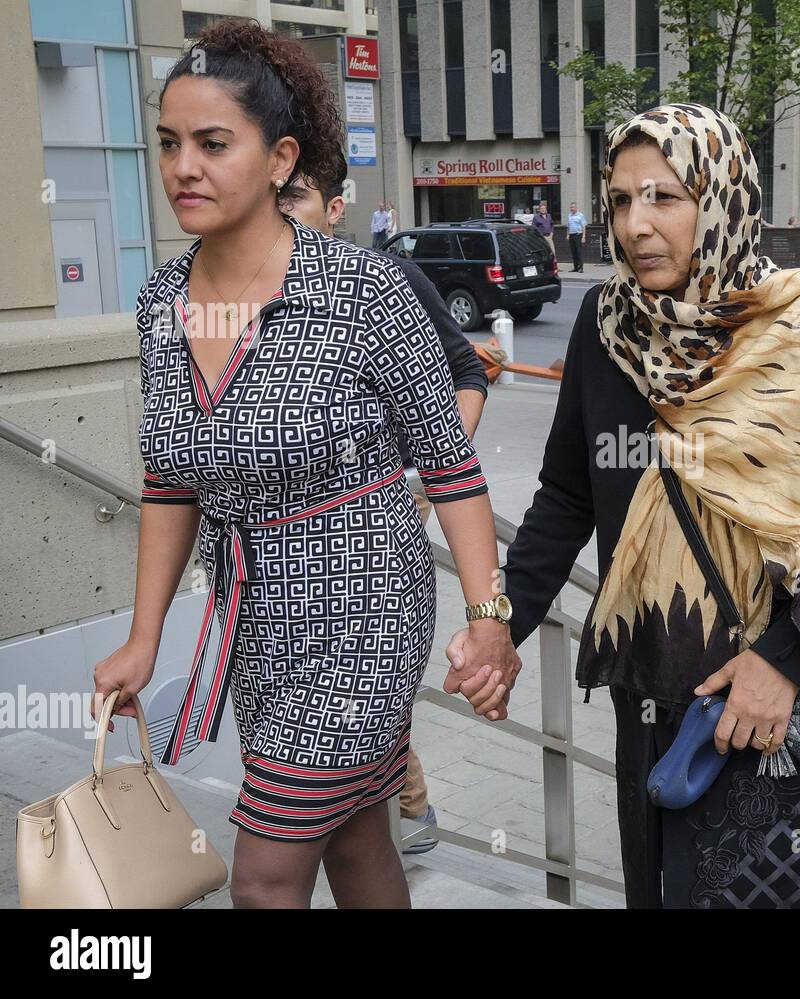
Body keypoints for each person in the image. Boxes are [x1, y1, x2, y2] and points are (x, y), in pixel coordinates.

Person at [445, 104, 800, 908]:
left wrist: (785, 664)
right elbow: (566, 495)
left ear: (723, 198)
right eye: (623, 200)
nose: (638, 224)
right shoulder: (608, 327)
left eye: (666, 197)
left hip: (775, 711)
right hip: (654, 702)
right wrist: (498, 620)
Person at [93, 21, 514, 908]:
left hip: (364, 609)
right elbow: (172, 478)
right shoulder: (162, 302)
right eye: (169, 143)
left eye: (213, 143)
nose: (183, 168)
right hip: (256, 621)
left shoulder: (363, 291)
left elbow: (449, 466)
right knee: (358, 837)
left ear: (282, 158)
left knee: (265, 874)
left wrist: (489, 616)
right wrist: (143, 636)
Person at [277, 158, 489, 855]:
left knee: (362, 670)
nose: (281, 209)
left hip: (383, 512)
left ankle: (406, 804)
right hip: (284, 560)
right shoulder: (246, 288)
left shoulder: (382, 280)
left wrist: (427, 474)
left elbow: (464, 368)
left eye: (297, 197)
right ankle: (393, 806)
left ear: (337, 206)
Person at [566, 201, 587, 272]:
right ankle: (575, 267)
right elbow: (568, 226)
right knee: (573, 252)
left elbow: (583, 226)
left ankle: (581, 268)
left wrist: (583, 237)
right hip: (571, 235)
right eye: (570, 207)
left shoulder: (580, 215)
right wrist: (568, 234)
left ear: (576, 208)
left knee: (579, 252)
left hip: (578, 235)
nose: (571, 209)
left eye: (572, 207)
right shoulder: (569, 215)